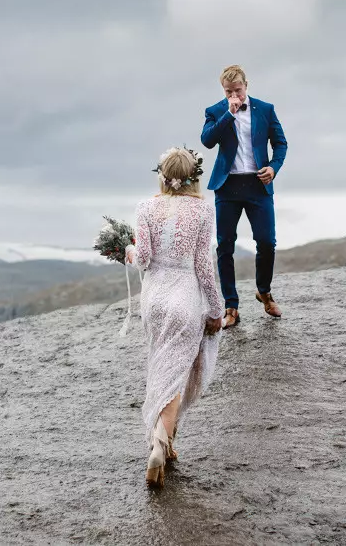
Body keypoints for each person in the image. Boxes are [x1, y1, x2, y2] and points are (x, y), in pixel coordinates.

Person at [124, 147, 225, 488]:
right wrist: (215, 309)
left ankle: (165, 443)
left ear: (163, 176)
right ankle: (160, 442)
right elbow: (203, 268)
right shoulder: (203, 210)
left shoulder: (146, 207)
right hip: (184, 298)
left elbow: (144, 258)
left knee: (160, 367)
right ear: (194, 178)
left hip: (154, 300)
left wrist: (128, 251)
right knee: (176, 375)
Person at [200, 64, 288, 329]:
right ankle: (231, 305)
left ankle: (264, 291)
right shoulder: (216, 111)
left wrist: (274, 167)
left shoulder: (266, 109)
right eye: (228, 92)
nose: (234, 95)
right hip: (227, 186)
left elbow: (281, 143)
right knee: (225, 246)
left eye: (237, 90)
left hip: (257, 185)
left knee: (266, 242)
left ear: (246, 86)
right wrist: (229, 113)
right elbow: (207, 140)